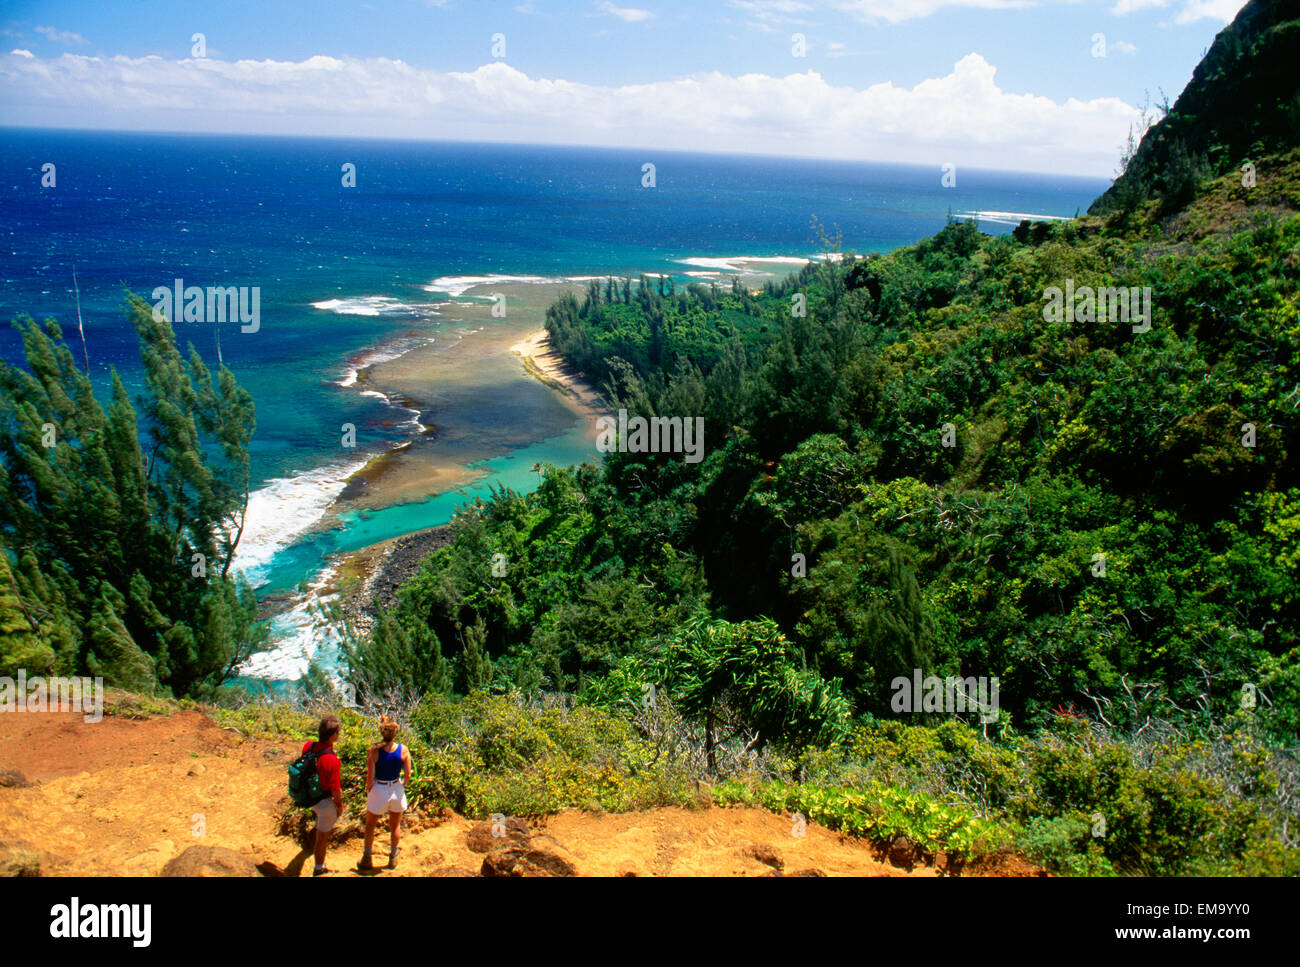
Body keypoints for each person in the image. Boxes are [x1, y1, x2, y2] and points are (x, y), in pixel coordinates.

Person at [359, 714, 412, 871]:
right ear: (395, 732)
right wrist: (402, 784)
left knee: (370, 826)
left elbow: (370, 776)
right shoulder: (403, 749)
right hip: (396, 788)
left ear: (382, 732)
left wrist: (369, 788)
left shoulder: (374, 751)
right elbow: (408, 774)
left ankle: (367, 858)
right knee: (395, 825)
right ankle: (393, 858)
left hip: (379, 789)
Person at [303, 715, 344, 876]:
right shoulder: (331, 760)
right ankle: (319, 868)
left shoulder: (308, 746)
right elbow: (335, 789)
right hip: (324, 802)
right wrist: (339, 806)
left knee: (320, 828)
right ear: (333, 736)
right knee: (322, 839)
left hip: (309, 797)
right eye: (338, 733)